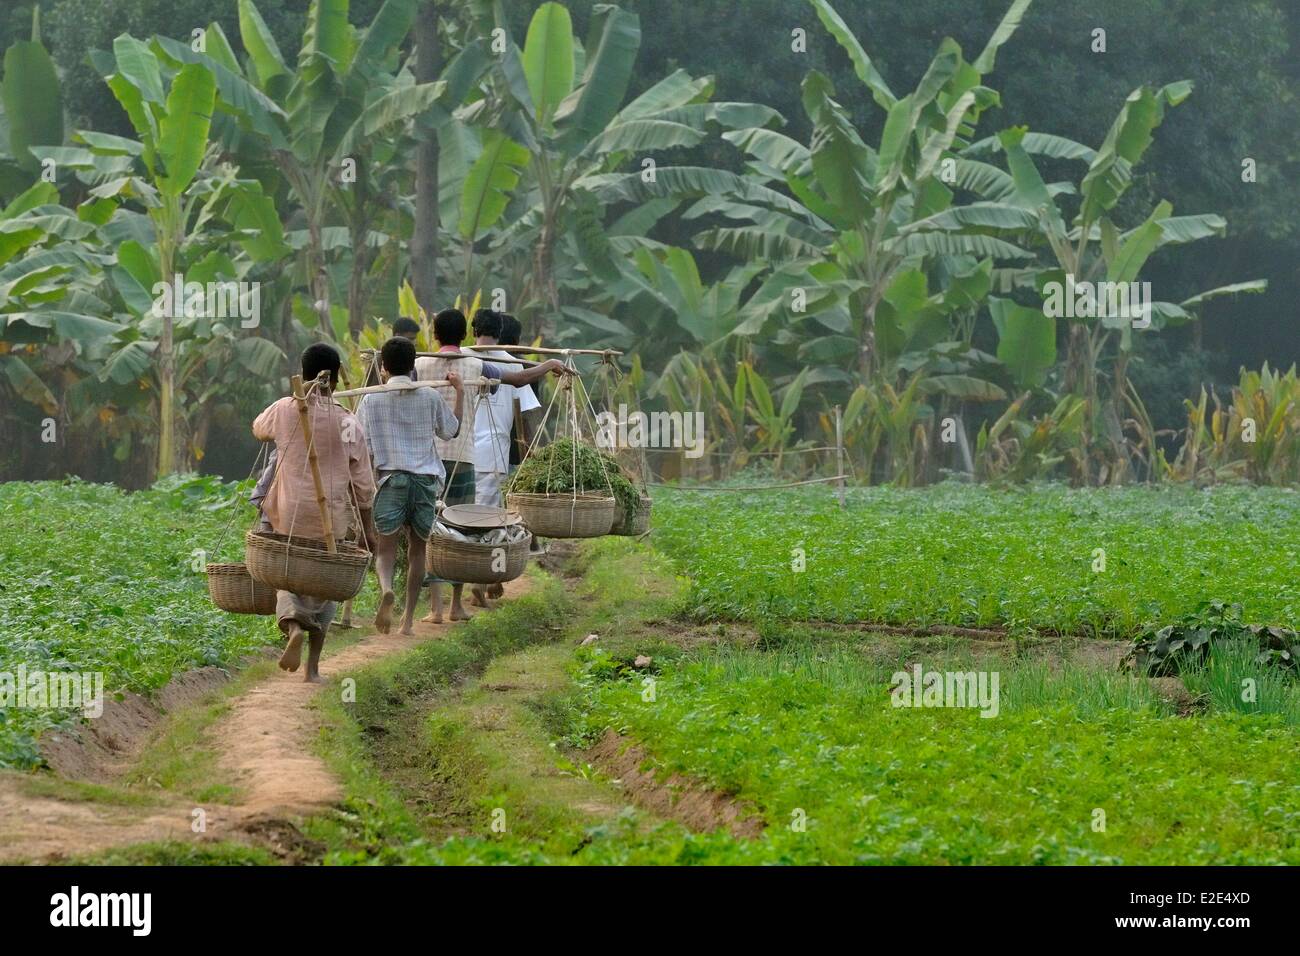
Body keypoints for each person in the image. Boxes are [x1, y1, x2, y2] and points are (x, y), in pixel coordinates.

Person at [414, 308, 571, 622]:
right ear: (500, 332)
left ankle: (438, 603)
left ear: (471, 332)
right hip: (481, 455)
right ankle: (476, 584)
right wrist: (550, 364)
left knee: (436, 527)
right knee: (475, 526)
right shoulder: (493, 363)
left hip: (437, 454)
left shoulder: (438, 360)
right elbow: (524, 400)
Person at [252, 344, 377, 683]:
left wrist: (292, 410)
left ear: (302, 374)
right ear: (335, 381)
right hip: (329, 520)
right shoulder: (348, 422)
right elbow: (363, 485)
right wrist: (368, 528)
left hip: (284, 511)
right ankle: (313, 669)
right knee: (325, 587)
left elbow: (258, 428)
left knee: (284, 575)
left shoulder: (284, 409)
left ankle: (292, 624)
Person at [355, 336, 463, 636]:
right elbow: (451, 431)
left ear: (384, 366)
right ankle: (408, 622)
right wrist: (460, 392)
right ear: (413, 365)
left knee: (386, 550)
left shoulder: (371, 399)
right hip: (425, 480)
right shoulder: (429, 396)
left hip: (392, 479)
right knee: (418, 551)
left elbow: (359, 441)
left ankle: (387, 588)